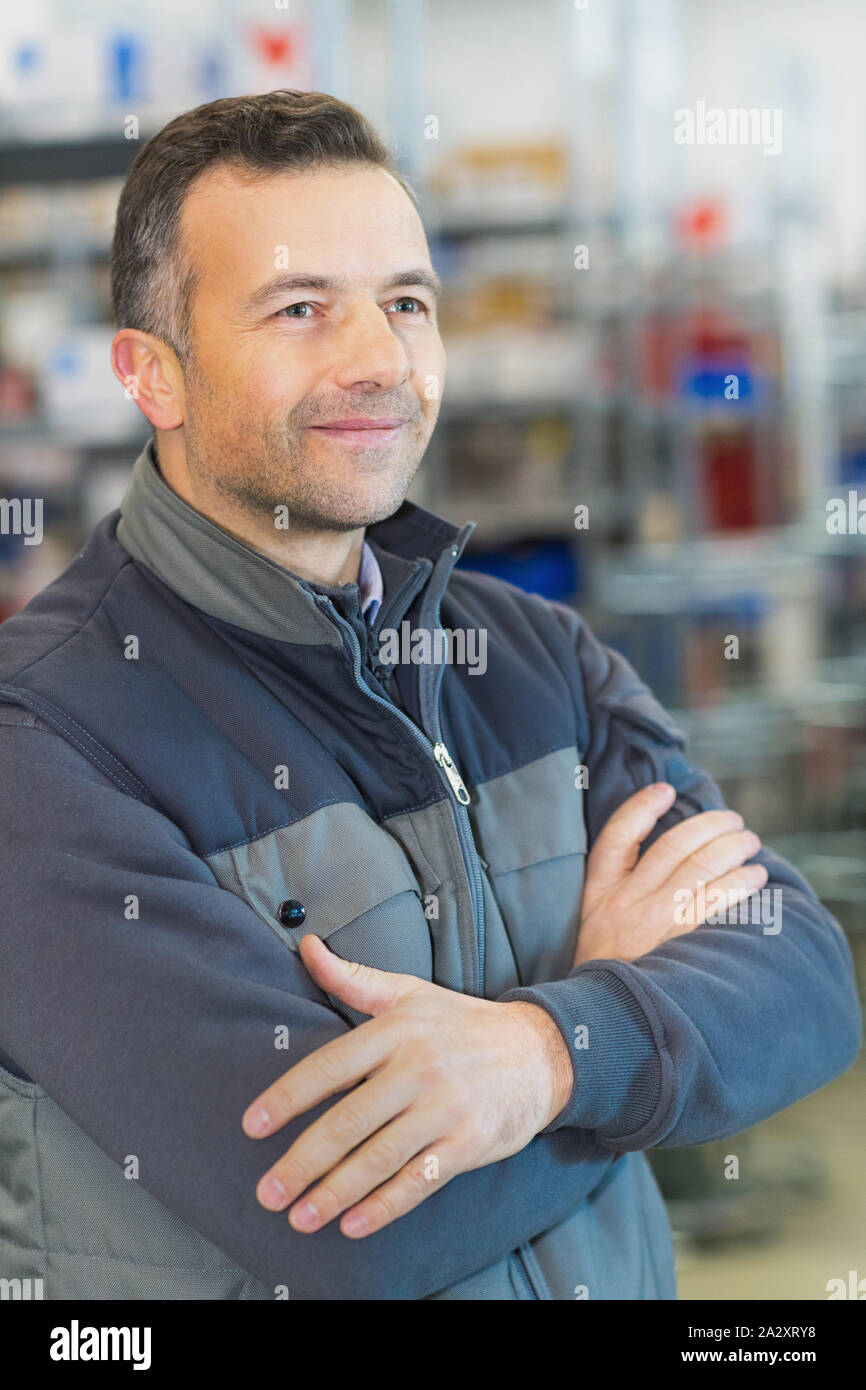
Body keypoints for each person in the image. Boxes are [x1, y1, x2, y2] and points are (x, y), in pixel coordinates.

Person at [0, 90, 859, 1302]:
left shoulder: (538, 660)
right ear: (153, 375)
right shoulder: (46, 743)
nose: (379, 360)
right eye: (301, 310)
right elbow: (351, 1226)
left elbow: (806, 986)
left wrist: (537, 1055)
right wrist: (627, 1040)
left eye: (406, 302)